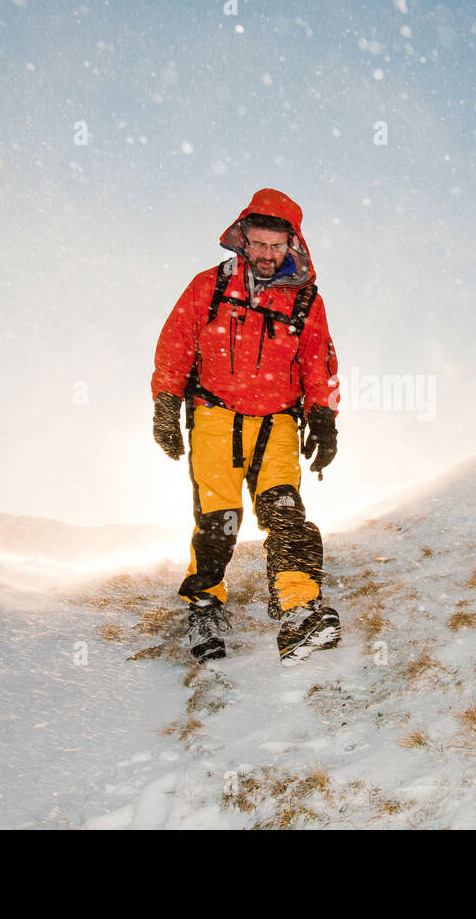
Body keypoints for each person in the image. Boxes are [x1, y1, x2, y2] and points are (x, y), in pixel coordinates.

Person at [151, 188, 341, 665]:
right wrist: (165, 406)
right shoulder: (208, 287)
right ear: (243, 239)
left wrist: (323, 418)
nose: (266, 255)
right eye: (258, 244)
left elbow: (319, 362)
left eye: (276, 246)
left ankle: (300, 612)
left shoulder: (306, 301)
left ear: (292, 245)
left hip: (278, 422)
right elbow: (175, 346)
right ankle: (207, 605)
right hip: (214, 418)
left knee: (284, 513)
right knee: (218, 521)